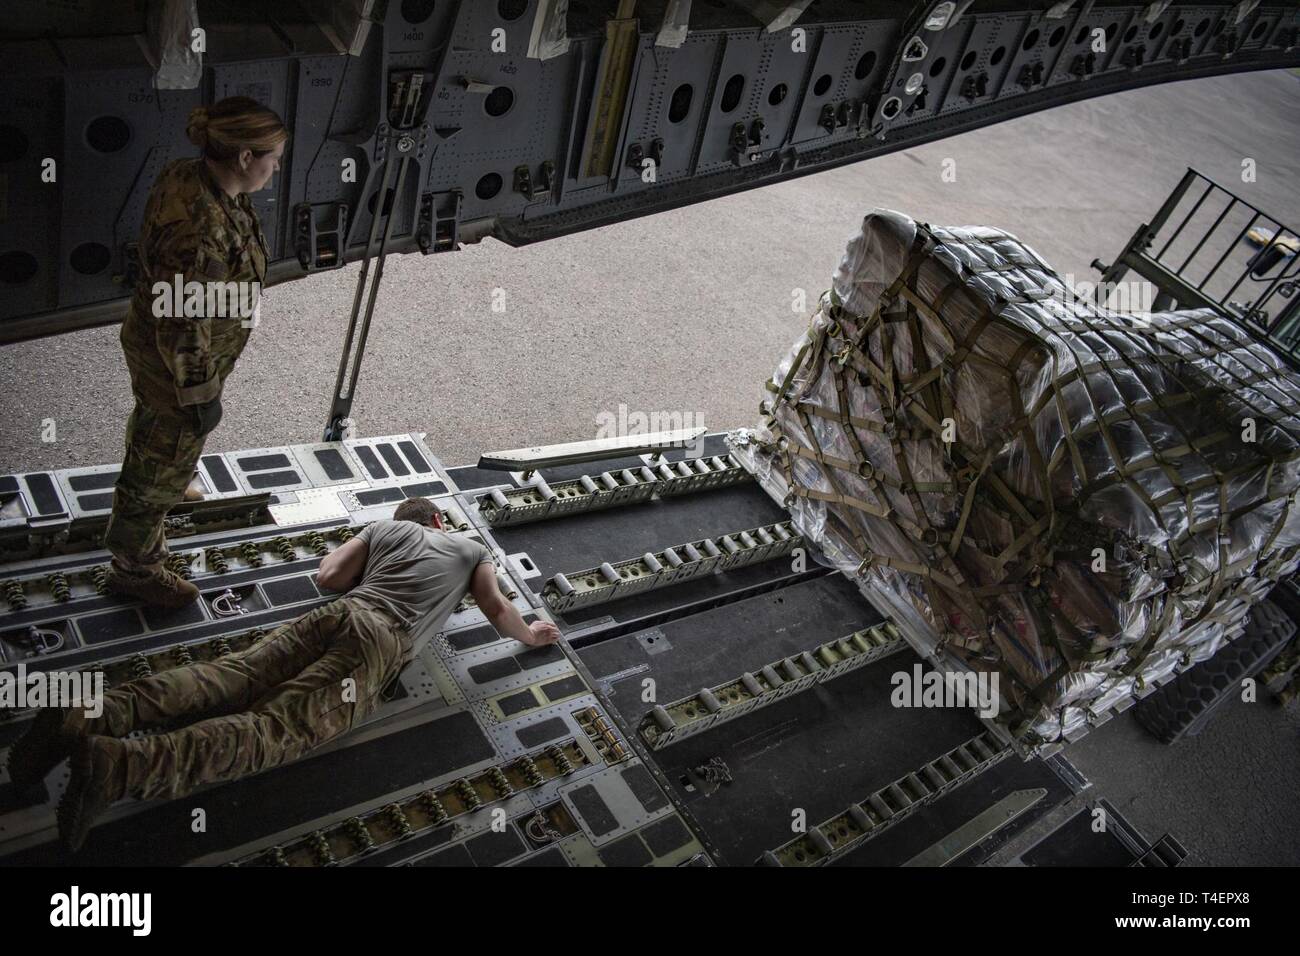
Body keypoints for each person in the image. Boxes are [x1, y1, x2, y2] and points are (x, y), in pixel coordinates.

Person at [6, 497, 561, 853]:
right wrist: (529, 633)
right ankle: (120, 766)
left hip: (338, 614)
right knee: (273, 730)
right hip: (381, 642)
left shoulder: (383, 529)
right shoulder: (467, 546)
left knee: (228, 676)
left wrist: (377, 567)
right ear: (439, 519)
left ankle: (91, 710)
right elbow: (494, 606)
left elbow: (327, 576)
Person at [103, 96, 288, 610]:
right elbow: (180, 322)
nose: (276, 169)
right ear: (246, 157)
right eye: (272, 158)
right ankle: (135, 568)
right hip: (178, 362)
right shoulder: (201, 227)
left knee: (160, 432)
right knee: (167, 444)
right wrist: (200, 390)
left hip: (167, 348)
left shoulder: (197, 177)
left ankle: (167, 477)